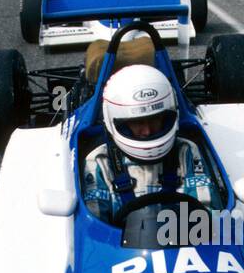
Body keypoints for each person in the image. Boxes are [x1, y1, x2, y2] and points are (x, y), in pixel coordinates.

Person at [83, 63, 219, 224]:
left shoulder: (186, 151)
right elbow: (95, 228)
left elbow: (207, 213)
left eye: (155, 119)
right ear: (120, 123)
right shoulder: (99, 161)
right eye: (138, 122)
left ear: (168, 116)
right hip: (122, 249)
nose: (147, 131)